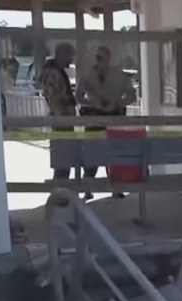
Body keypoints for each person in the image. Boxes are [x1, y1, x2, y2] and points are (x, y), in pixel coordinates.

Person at [76, 45, 137, 199]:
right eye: (98, 57)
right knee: (92, 154)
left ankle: (116, 188)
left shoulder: (119, 75)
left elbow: (132, 96)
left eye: (103, 57)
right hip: (94, 119)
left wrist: (118, 104)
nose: (100, 60)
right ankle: (88, 189)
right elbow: (78, 96)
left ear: (109, 58)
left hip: (114, 118)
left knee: (114, 155)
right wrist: (92, 103)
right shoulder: (88, 75)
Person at [40, 43, 77, 182]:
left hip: (64, 122)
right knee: (62, 164)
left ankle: (61, 194)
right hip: (61, 124)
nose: (71, 60)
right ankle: (59, 195)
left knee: (64, 164)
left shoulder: (57, 71)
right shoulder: (52, 73)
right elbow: (54, 100)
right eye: (70, 56)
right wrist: (63, 118)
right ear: (62, 55)